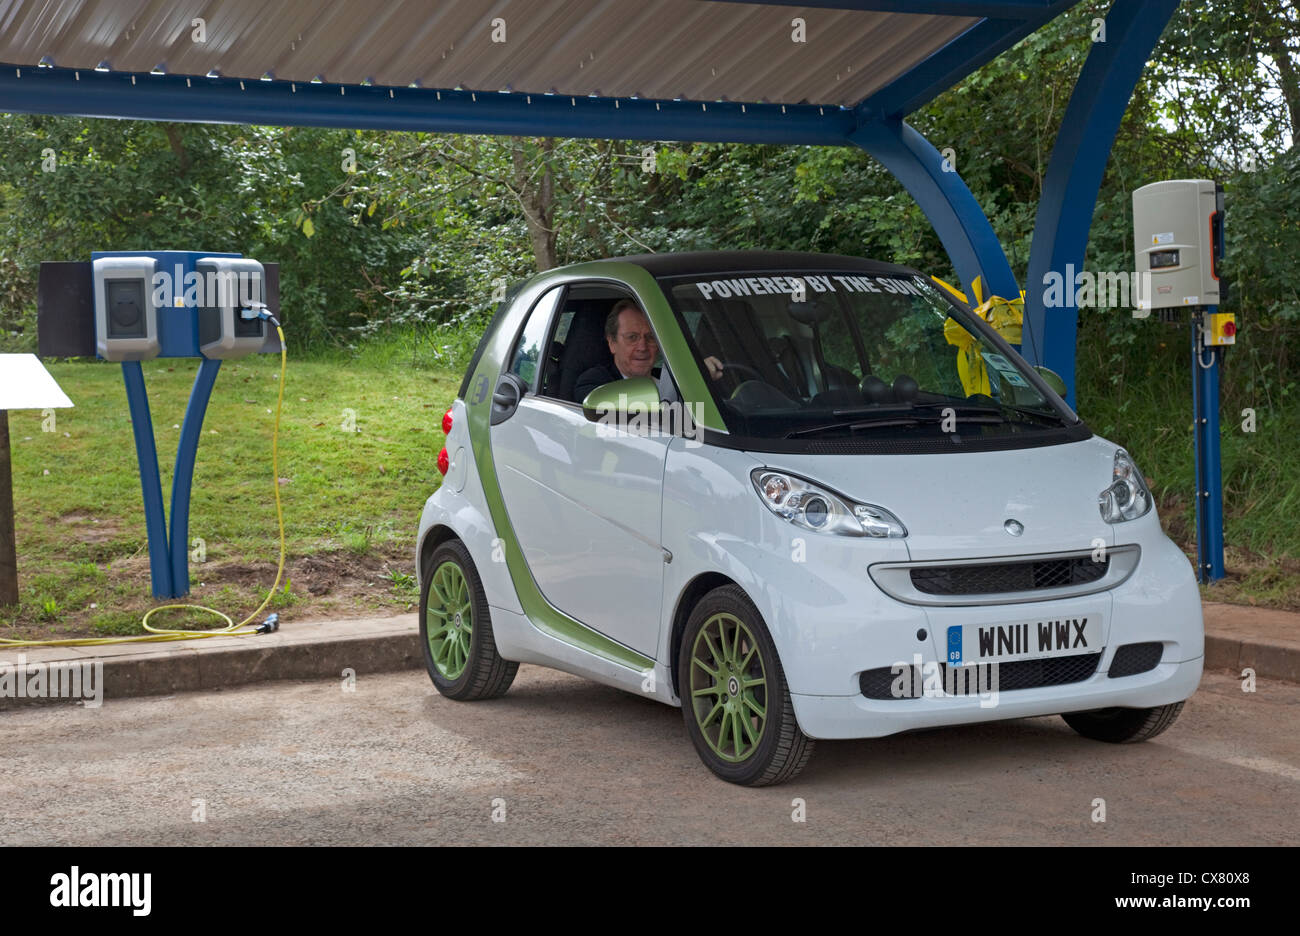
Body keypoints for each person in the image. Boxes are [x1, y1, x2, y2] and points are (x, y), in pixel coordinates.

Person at [574, 299, 724, 402]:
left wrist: (698, 376)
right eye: (632, 337)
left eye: (651, 337)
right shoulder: (593, 382)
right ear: (612, 343)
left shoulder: (671, 379)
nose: (642, 347)